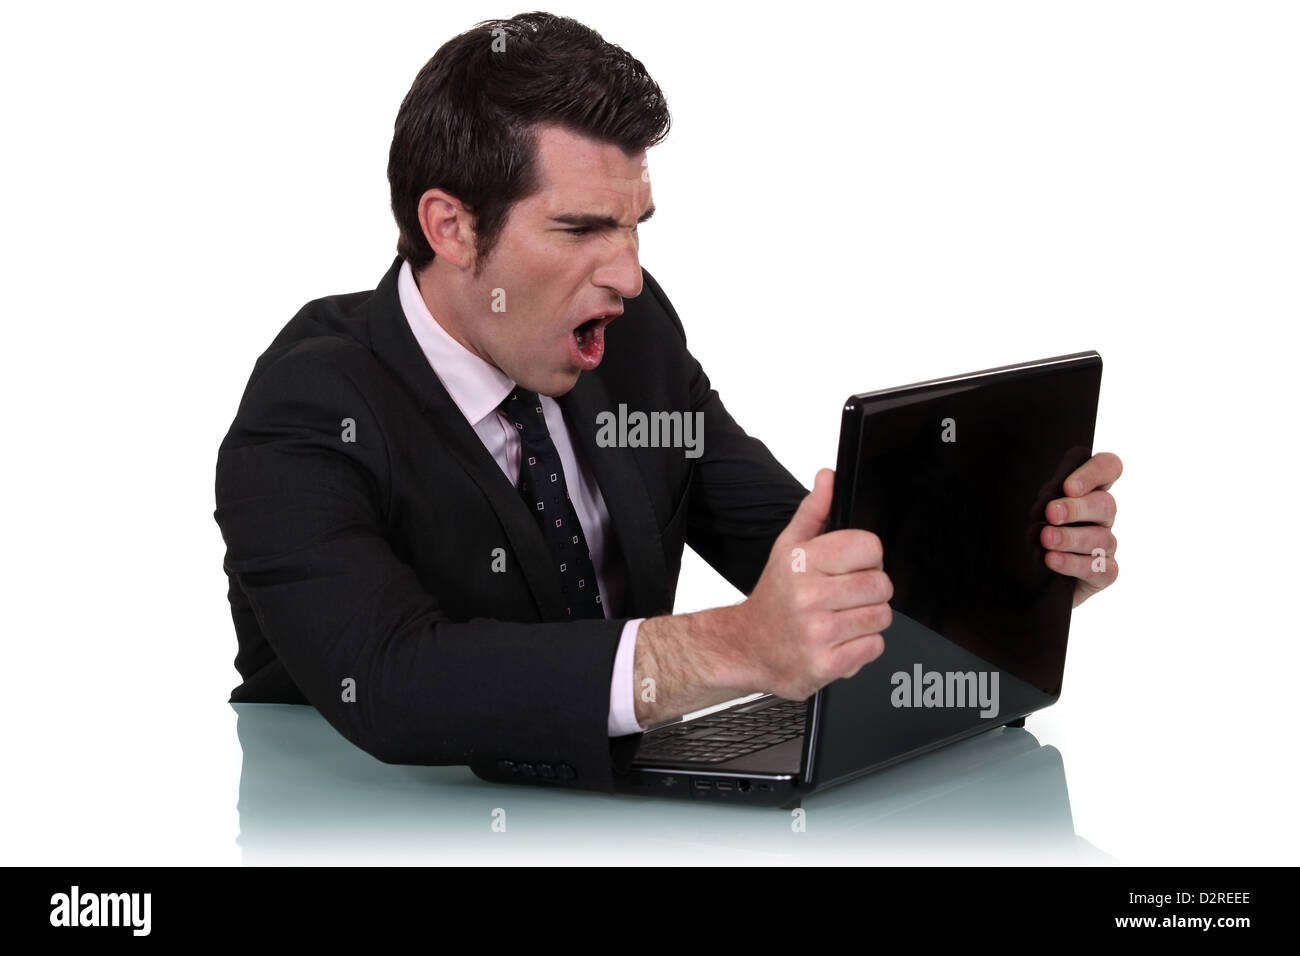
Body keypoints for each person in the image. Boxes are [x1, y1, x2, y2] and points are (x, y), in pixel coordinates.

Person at [213, 12, 1122, 793]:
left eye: (635, 225)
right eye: (581, 228)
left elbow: (788, 552)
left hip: (621, 826)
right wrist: (735, 650)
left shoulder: (631, 343)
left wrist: (999, 579)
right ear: (449, 226)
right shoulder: (305, 405)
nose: (628, 276)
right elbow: (390, 682)